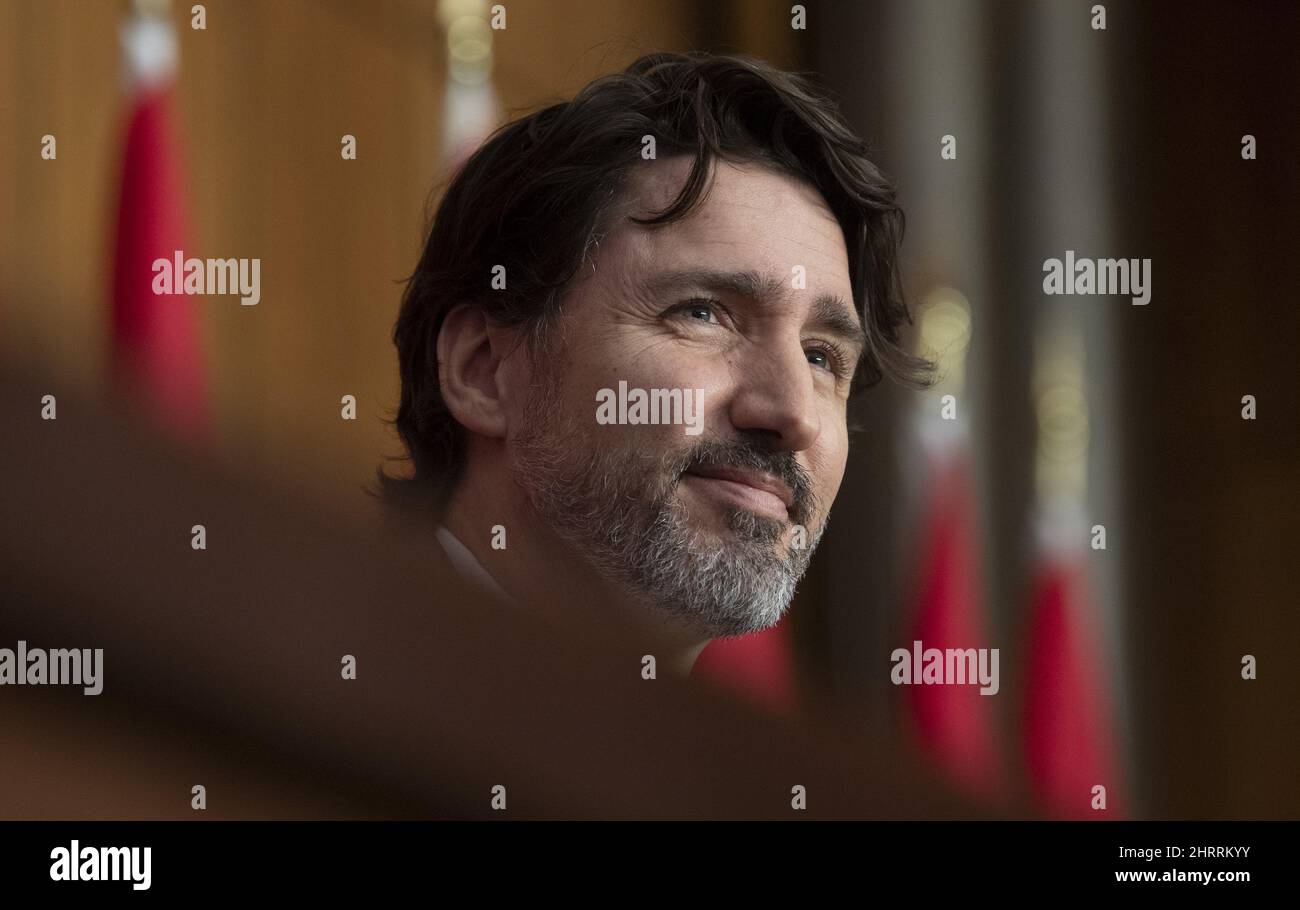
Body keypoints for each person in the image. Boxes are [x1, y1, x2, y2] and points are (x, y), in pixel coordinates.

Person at [380, 52, 933, 678]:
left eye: (820, 356)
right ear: (483, 371)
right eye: (703, 313)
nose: (792, 412)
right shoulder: (314, 688)